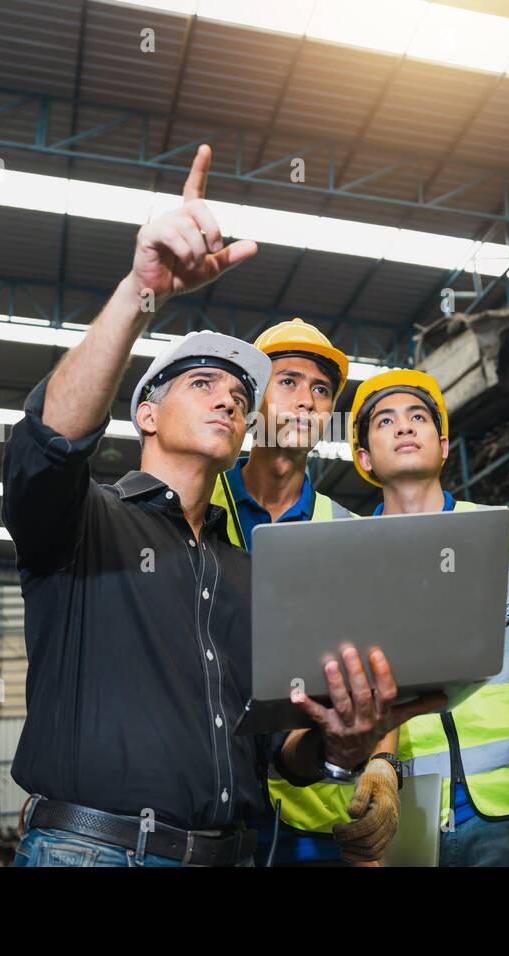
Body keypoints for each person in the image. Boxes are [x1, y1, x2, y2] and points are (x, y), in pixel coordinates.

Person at [3, 144, 441, 867]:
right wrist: (140, 293)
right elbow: (51, 438)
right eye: (202, 383)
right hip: (93, 853)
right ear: (145, 414)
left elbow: (277, 752)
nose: (229, 398)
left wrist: (342, 746)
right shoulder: (84, 524)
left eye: (239, 397)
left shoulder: (246, 572)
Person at [206, 318, 395, 867]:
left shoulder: (351, 532)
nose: (307, 401)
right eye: (287, 381)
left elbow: (380, 664)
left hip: (318, 820)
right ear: (251, 397)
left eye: (320, 390)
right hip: (211, 809)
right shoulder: (195, 505)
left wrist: (382, 767)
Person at [345, 368, 509, 866]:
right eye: (386, 420)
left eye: (418, 417)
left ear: (442, 445)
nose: (405, 427)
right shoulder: (344, 555)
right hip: (404, 812)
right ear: (365, 458)